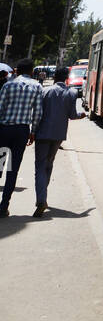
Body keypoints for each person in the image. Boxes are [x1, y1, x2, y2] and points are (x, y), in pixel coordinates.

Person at [33, 66, 83, 217]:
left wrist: (33, 131)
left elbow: (37, 113)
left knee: (40, 167)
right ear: (67, 78)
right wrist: (81, 115)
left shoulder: (45, 91)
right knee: (49, 164)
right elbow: (73, 115)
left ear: (54, 77)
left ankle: (41, 199)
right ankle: (43, 195)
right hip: (58, 136)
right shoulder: (71, 93)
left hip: (42, 134)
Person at [0, 59, 44, 218]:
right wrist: (33, 132)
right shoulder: (37, 86)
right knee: (12, 170)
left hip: (4, 131)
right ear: (32, 71)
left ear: (17, 70)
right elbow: (38, 113)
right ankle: (3, 207)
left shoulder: (8, 85)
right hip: (21, 133)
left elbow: (0, 107)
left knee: (0, 165)